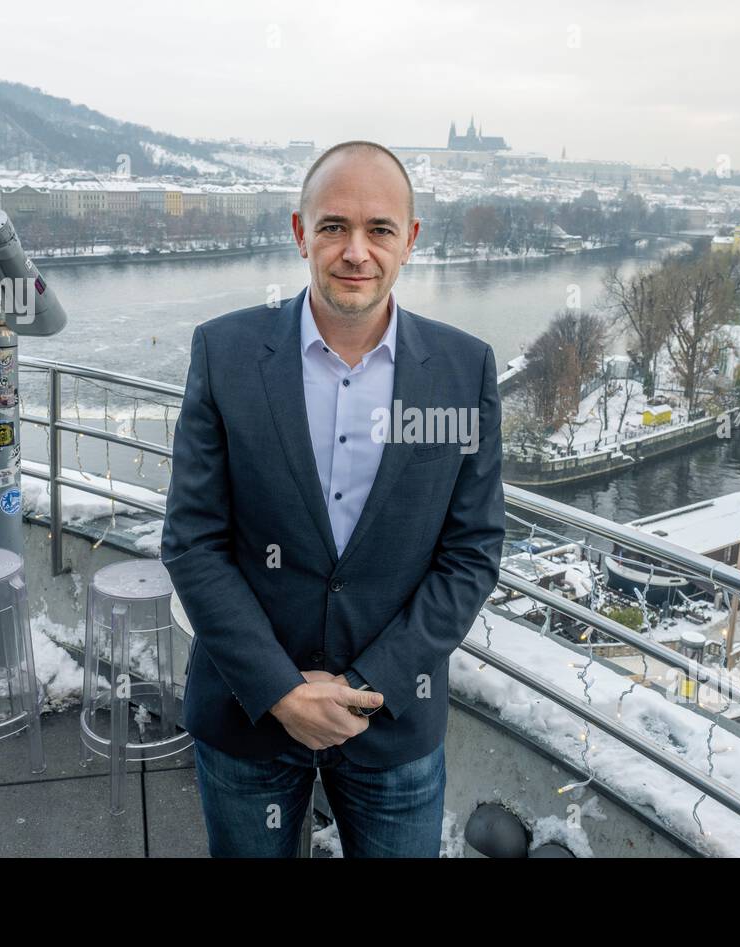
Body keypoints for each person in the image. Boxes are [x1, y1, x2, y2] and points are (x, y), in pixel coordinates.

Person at [161, 141, 505, 858]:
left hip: (392, 721)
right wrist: (281, 689)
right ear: (299, 233)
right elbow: (194, 541)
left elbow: (471, 553)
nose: (356, 251)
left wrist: (366, 685)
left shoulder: (463, 369)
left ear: (410, 241)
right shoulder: (223, 353)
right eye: (333, 227)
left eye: (379, 229)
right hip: (249, 715)